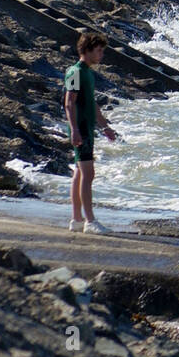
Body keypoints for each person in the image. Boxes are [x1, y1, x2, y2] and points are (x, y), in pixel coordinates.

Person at [64, 31, 118, 235]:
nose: (101, 55)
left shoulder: (87, 72)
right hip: (81, 129)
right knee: (88, 173)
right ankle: (90, 221)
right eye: (98, 51)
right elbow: (69, 102)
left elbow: (92, 103)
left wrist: (105, 126)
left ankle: (77, 219)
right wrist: (75, 129)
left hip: (86, 127)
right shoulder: (75, 72)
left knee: (79, 174)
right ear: (86, 50)